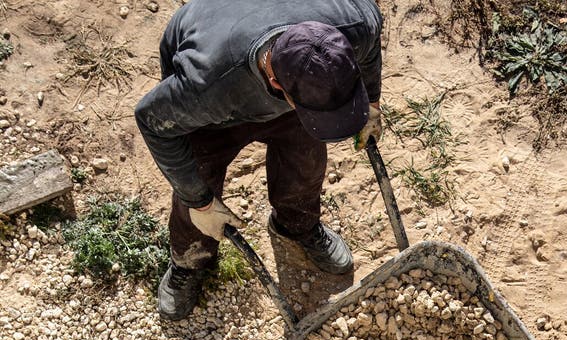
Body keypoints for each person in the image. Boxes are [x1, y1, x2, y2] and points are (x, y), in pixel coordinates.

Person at [135, 0, 383, 321]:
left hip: (278, 78)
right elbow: (152, 121)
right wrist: (200, 203)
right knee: (196, 181)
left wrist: (371, 101)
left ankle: (297, 227)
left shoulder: (355, 22)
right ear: (279, 85)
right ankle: (191, 261)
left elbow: (370, 47)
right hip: (219, 95)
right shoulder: (203, 86)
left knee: (305, 160)